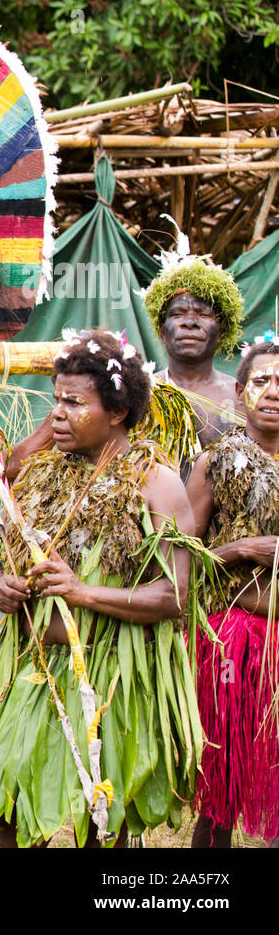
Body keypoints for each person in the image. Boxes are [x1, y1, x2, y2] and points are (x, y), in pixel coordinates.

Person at [0, 329, 211, 847]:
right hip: (33, 668)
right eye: (56, 400)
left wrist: (83, 593)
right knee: (9, 808)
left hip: (113, 675)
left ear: (118, 412)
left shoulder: (156, 482)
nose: (57, 414)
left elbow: (175, 597)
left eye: (74, 403)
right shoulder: (39, 475)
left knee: (101, 819)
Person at [185, 339, 279, 848]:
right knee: (219, 788)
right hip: (233, 643)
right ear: (240, 392)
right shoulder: (215, 462)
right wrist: (241, 547)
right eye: (262, 381)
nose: (274, 392)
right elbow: (180, 559)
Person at [144, 246, 246, 448]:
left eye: (203, 314)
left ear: (221, 333)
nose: (190, 322)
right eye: (178, 314)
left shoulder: (240, 397)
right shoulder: (144, 393)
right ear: (162, 332)